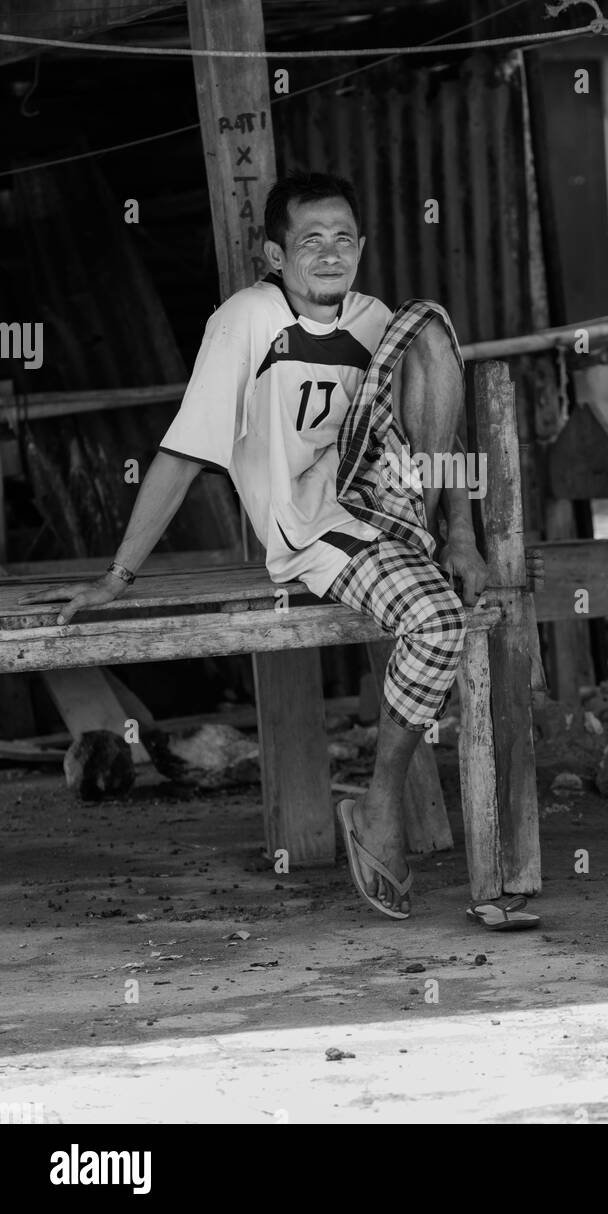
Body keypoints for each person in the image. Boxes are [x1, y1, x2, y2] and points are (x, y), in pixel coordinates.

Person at [23, 169, 488, 920]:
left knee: (431, 327)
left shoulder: (373, 318)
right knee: (437, 622)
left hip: (393, 505)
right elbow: (183, 451)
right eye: (311, 241)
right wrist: (119, 574)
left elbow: (446, 428)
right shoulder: (245, 322)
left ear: (362, 246)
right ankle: (378, 805)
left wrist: (461, 536)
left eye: (344, 238)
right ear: (276, 255)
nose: (330, 253)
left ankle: (431, 550)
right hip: (312, 530)